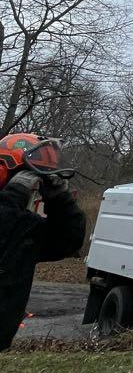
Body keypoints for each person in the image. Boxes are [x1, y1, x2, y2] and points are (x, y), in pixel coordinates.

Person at [0, 134, 87, 351]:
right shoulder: (12, 217)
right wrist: (13, 197)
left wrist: (60, 200)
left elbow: (68, 240)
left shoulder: (25, 226)